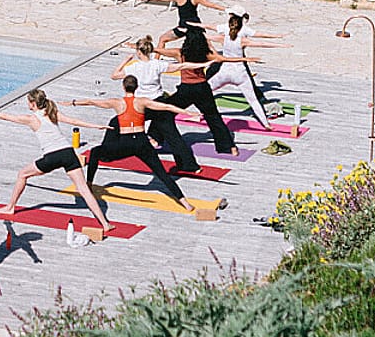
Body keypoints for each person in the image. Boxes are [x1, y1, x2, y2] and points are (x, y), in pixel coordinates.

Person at [0, 89, 114, 234]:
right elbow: (74, 121)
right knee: (83, 189)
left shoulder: (32, 118)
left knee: (22, 174)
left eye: (28, 102)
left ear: (33, 104)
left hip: (52, 156)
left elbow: (6, 117)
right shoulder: (52, 113)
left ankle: (10, 207)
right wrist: (97, 126)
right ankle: (105, 223)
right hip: (68, 153)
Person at [62, 76, 197, 212]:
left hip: (125, 143)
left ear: (123, 87)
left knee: (95, 152)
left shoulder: (117, 103)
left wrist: (73, 102)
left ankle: (89, 184)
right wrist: (187, 112)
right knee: (162, 174)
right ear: (137, 87)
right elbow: (166, 106)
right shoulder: (142, 101)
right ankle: (185, 203)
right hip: (142, 142)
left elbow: (92, 101)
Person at [110, 35, 213, 172]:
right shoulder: (157, 64)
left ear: (139, 52)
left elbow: (114, 75)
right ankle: (190, 166)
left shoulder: (134, 67)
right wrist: (203, 65)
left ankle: (108, 152)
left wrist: (125, 61)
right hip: (159, 103)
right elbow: (182, 65)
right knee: (173, 136)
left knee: (115, 123)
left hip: (142, 106)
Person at [159, 27, 258, 155]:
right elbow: (223, 59)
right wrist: (245, 59)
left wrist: (138, 47)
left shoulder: (180, 53)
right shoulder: (205, 54)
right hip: (202, 89)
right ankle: (230, 147)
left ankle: (155, 138)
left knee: (164, 112)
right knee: (213, 117)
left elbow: (158, 50)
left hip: (186, 89)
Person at [206, 8, 289, 130]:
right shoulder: (243, 39)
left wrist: (212, 51)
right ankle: (266, 124)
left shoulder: (223, 37)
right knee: (253, 101)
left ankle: (196, 113)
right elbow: (262, 43)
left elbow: (205, 35)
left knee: (203, 92)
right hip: (240, 74)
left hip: (225, 71)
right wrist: (280, 42)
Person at [140, 0, 227, 47]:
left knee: (162, 39)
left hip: (183, 27)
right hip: (196, 26)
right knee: (209, 46)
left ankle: (156, 62)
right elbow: (212, 5)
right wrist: (226, 9)